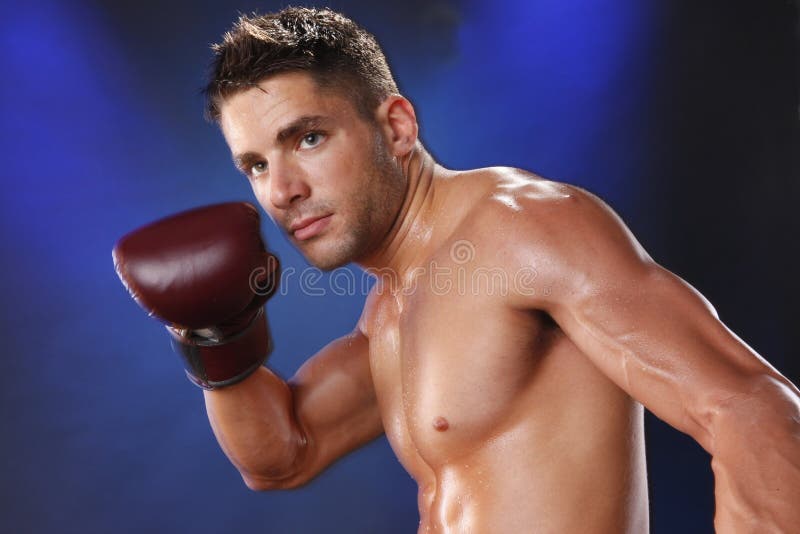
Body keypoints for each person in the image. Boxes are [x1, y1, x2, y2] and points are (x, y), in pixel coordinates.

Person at [112, 7, 800, 533]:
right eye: (257, 164)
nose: (281, 188)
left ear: (398, 127)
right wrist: (215, 334)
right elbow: (283, 454)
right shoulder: (390, 309)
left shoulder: (522, 226)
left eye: (308, 138)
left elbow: (750, 407)